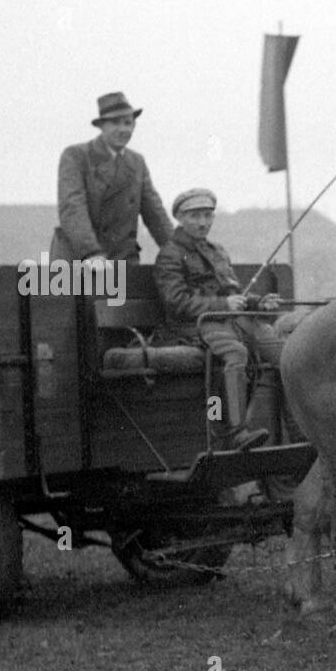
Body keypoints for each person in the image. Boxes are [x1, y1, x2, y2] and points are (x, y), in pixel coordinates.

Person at [154, 188, 281, 452]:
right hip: (192, 326)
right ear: (179, 218)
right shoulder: (170, 254)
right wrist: (223, 305)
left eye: (208, 215)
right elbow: (176, 302)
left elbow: (233, 291)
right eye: (195, 216)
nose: (203, 223)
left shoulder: (217, 251)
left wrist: (258, 302)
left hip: (228, 321)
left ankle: (300, 430)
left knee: (281, 351)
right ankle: (236, 432)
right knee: (236, 353)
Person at [51, 91, 173, 269]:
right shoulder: (77, 156)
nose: (123, 129)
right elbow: (72, 207)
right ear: (102, 126)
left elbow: (155, 213)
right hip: (78, 260)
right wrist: (91, 253)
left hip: (122, 260)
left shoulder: (136, 162)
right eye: (115, 123)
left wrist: (180, 254)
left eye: (128, 123)